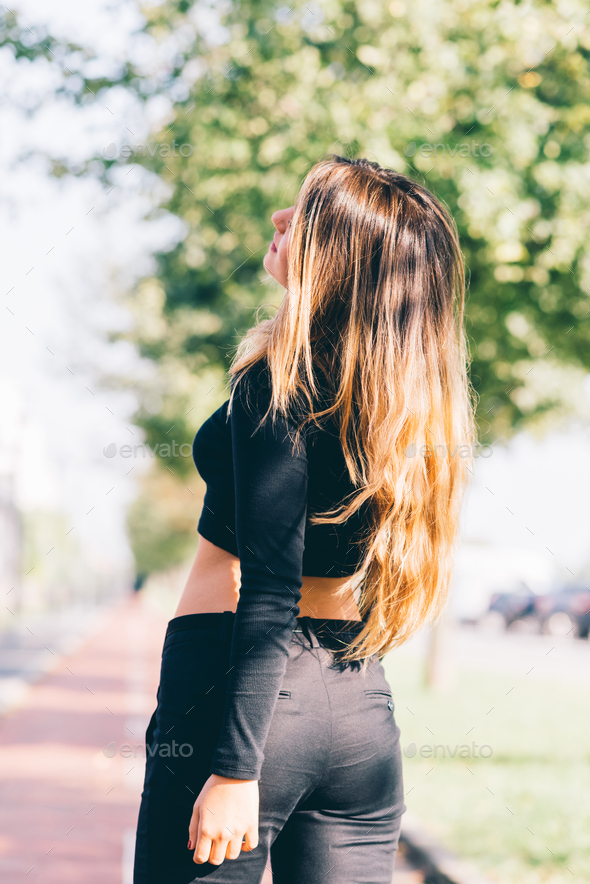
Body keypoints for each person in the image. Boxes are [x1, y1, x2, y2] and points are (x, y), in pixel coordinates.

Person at [133, 155, 475, 884]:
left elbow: (268, 587)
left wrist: (232, 771)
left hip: (240, 701)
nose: (279, 223)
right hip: (357, 707)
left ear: (337, 261)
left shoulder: (278, 384)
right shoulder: (400, 409)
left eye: (301, 218)